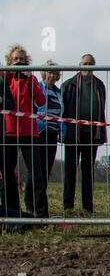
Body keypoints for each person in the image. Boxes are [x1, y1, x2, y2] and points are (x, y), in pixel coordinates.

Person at [2, 45, 46, 227]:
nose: (19, 62)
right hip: (8, 131)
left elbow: (41, 101)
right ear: (9, 62)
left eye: (22, 59)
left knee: (36, 173)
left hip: (29, 132)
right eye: (16, 59)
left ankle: (42, 214)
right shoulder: (5, 78)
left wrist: (30, 80)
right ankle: (11, 213)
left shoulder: (32, 79)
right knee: (7, 174)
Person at [61, 55, 107, 214]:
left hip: (92, 134)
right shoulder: (69, 85)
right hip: (74, 134)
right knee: (70, 171)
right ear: (79, 65)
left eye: (91, 64)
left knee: (88, 171)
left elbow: (102, 109)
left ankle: (88, 207)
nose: (87, 67)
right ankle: (68, 206)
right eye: (85, 64)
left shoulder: (100, 85)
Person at [24, 62, 62, 216]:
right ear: (43, 73)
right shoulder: (37, 87)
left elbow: (61, 113)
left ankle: (40, 203)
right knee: (34, 170)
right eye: (49, 72)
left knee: (45, 171)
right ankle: (30, 204)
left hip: (52, 134)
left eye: (55, 73)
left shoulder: (59, 92)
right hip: (39, 132)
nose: (52, 76)